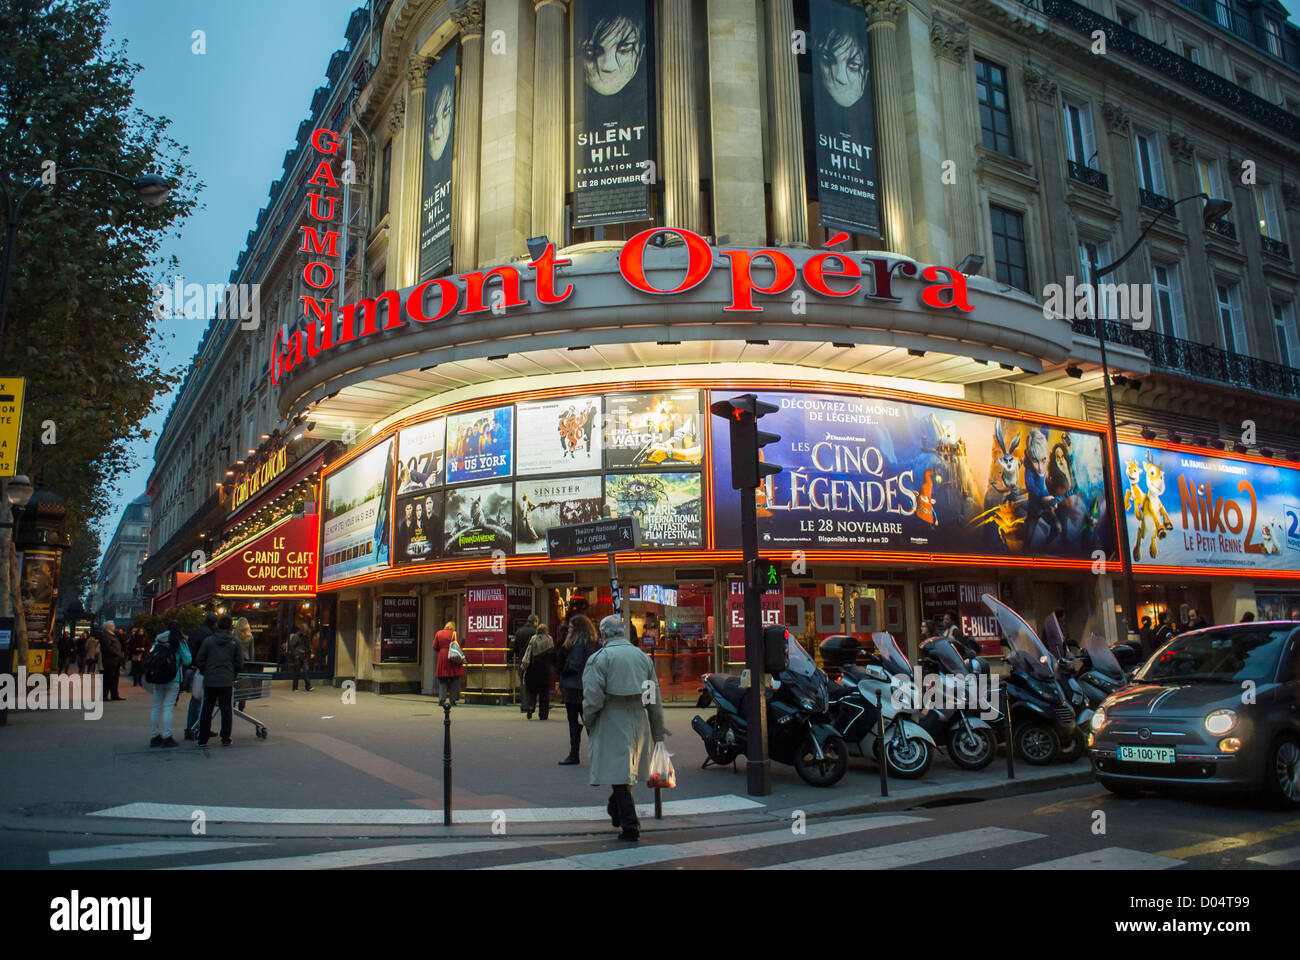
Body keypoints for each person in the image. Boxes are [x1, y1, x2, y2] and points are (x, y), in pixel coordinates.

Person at [583, 615, 666, 843]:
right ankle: (618, 812)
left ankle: (630, 824)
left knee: (618, 773)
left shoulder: (599, 659)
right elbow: (652, 696)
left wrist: (588, 720)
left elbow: (592, 698)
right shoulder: (642, 658)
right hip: (638, 720)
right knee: (623, 772)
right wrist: (657, 729)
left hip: (611, 718)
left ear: (603, 634)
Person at [195, 615, 245, 747]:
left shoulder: (209, 641)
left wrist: (206, 670)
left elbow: (200, 658)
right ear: (230, 626)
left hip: (211, 679)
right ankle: (225, 737)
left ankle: (203, 738)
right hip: (226, 680)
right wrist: (232, 674)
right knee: (226, 709)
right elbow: (239, 662)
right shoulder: (234, 642)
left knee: (207, 708)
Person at [558, 614, 596, 765]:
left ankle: (574, 754)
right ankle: (595, 753)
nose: (569, 629)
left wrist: (565, 670)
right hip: (582, 685)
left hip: (574, 686)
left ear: (578, 629)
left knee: (574, 720)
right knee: (587, 720)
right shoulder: (588, 642)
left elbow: (575, 663)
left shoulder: (578, 643)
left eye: (571, 627)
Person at [147, 620, 191, 748]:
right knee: (168, 707)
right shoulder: (179, 641)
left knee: (156, 707)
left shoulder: (159, 639)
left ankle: (154, 735)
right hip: (173, 677)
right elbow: (188, 660)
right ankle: (167, 736)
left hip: (157, 676)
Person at [184, 613, 217, 740]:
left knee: (196, 700)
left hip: (193, 668)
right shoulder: (208, 635)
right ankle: (200, 728)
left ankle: (192, 727)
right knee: (204, 701)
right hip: (201, 670)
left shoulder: (196, 631)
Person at [521, 624, 555, 720]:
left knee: (532, 691)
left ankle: (531, 706)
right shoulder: (549, 639)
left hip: (532, 669)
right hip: (544, 671)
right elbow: (552, 655)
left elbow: (527, 652)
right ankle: (543, 714)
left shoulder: (533, 639)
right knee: (544, 694)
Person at [433, 620, 466, 706]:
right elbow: (458, 645)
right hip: (452, 656)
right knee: (454, 679)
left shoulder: (438, 633)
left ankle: (441, 699)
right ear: (453, 627)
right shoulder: (454, 633)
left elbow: (435, 646)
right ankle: (453, 700)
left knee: (442, 679)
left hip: (442, 656)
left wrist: (441, 649)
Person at [513, 614, 538, 714]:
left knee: (523, 683)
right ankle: (531, 704)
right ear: (535, 622)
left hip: (522, 661)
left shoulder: (519, 631)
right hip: (533, 661)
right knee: (533, 683)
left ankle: (524, 705)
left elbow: (515, 648)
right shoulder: (535, 632)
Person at [100, 624, 125, 701]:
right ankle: (105, 695)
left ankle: (114, 694)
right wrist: (116, 653)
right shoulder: (106, 635)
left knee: (114, 678)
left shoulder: (113, 634)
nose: (114, 627)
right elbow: (107, 647)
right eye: (113, 625)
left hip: (115, 660)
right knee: (108, 678)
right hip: (110, 660)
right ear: (109, 627)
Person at [290, 622, 313, 691]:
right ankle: (295, 687)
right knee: (297, 672)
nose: (305, 633)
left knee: (306, 671)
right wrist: (295, 654)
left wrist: (311, 652)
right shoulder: (296, 636)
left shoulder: (306, 636)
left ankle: (308, 687)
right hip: (298, 656)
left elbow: (309, 645)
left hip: (304, 655)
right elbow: (292, 646)